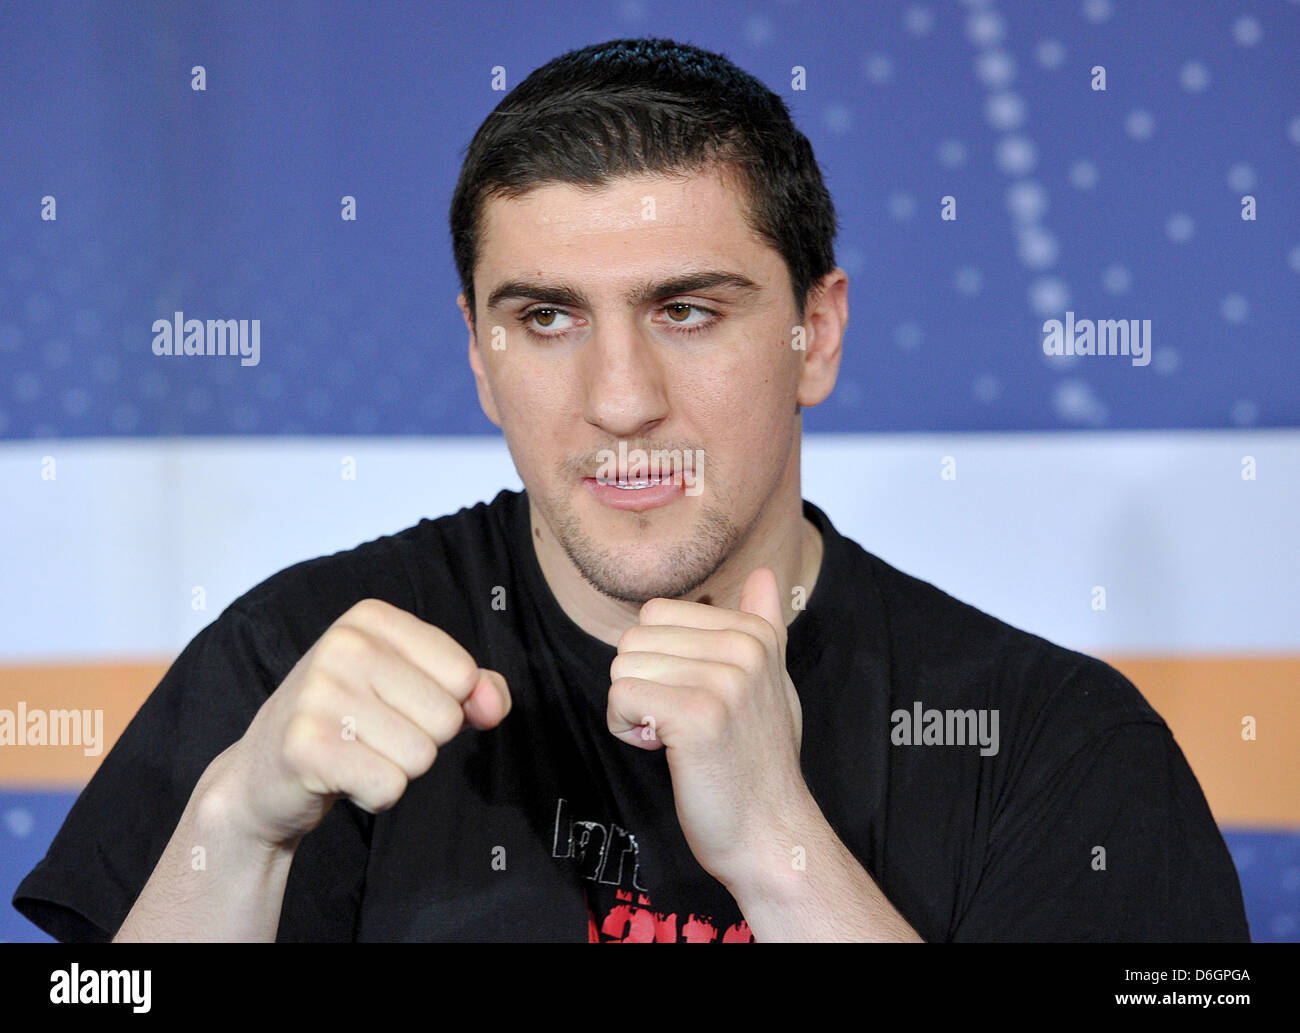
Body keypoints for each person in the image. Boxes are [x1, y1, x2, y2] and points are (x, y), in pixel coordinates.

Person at [14, 37, 1248, 943]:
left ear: (815, 335)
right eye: (547, 318)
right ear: (478, 355)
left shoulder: (1056, 747)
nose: (618, 400)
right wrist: (233, 829)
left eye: (686, 310)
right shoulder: (295, 658)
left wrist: (780, 850)